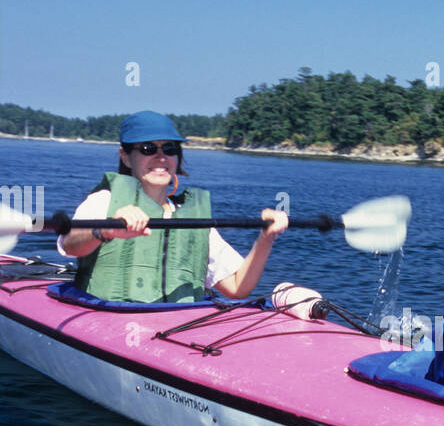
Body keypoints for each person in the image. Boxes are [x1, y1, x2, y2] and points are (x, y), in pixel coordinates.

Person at [57, 110, 289, 303]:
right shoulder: (104, 200)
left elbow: (237, 287)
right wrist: (105, 229)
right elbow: (71, 245)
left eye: (169, 149)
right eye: (148, 149)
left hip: (178, 329)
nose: (161, 157)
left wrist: (266, 237)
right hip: (112, 322)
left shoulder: (193, 219)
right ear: (126, 156)